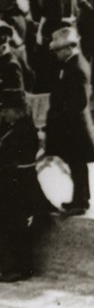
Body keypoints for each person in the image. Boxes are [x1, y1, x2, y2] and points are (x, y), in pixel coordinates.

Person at [0, 86, 45, 282]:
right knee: (8, 224)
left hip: (17, 185)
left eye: (6, 110)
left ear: (18, 111)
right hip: (14, 182)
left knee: (15, 226)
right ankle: (12, 264)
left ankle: (20, 268)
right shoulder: (19, 127)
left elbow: (10, 159)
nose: (2, 114)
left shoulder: (22, 131)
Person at [45, 26, 94, 215]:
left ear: (68, 48)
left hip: (74, 126)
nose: (56, 54)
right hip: (72, 125)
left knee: (77, 164)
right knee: (76, 165)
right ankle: (80, 199)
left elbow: (79, 100)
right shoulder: (72, 64)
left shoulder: (75, 67)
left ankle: (80, 201)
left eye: (58, 50)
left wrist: (62, 115)